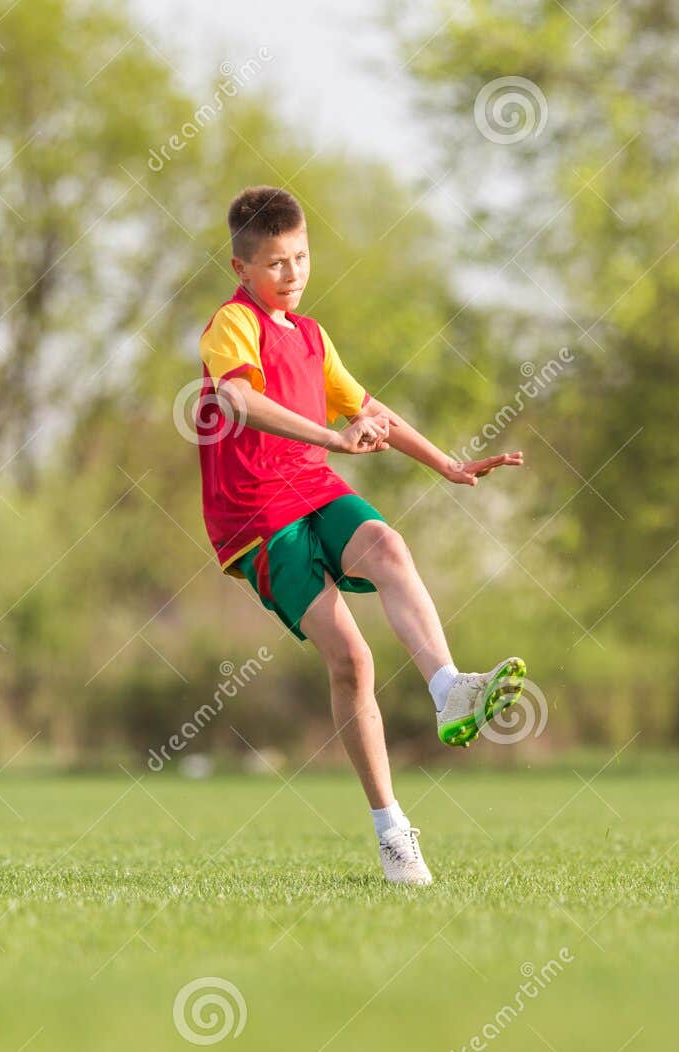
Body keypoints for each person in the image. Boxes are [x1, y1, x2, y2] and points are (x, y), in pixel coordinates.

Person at [193, 185, 527, 886]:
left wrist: (446, 462)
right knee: (351, 660)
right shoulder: (232, 325)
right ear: (242, 270)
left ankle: (449, 690)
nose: (294, 273)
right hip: (255, 517)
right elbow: (240, 400)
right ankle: (392, 832)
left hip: (312, 486)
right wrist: (332, 439)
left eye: (302, 257)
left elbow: (368, 406)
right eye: (277, 263)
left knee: (391, 548)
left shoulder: (311, 335)